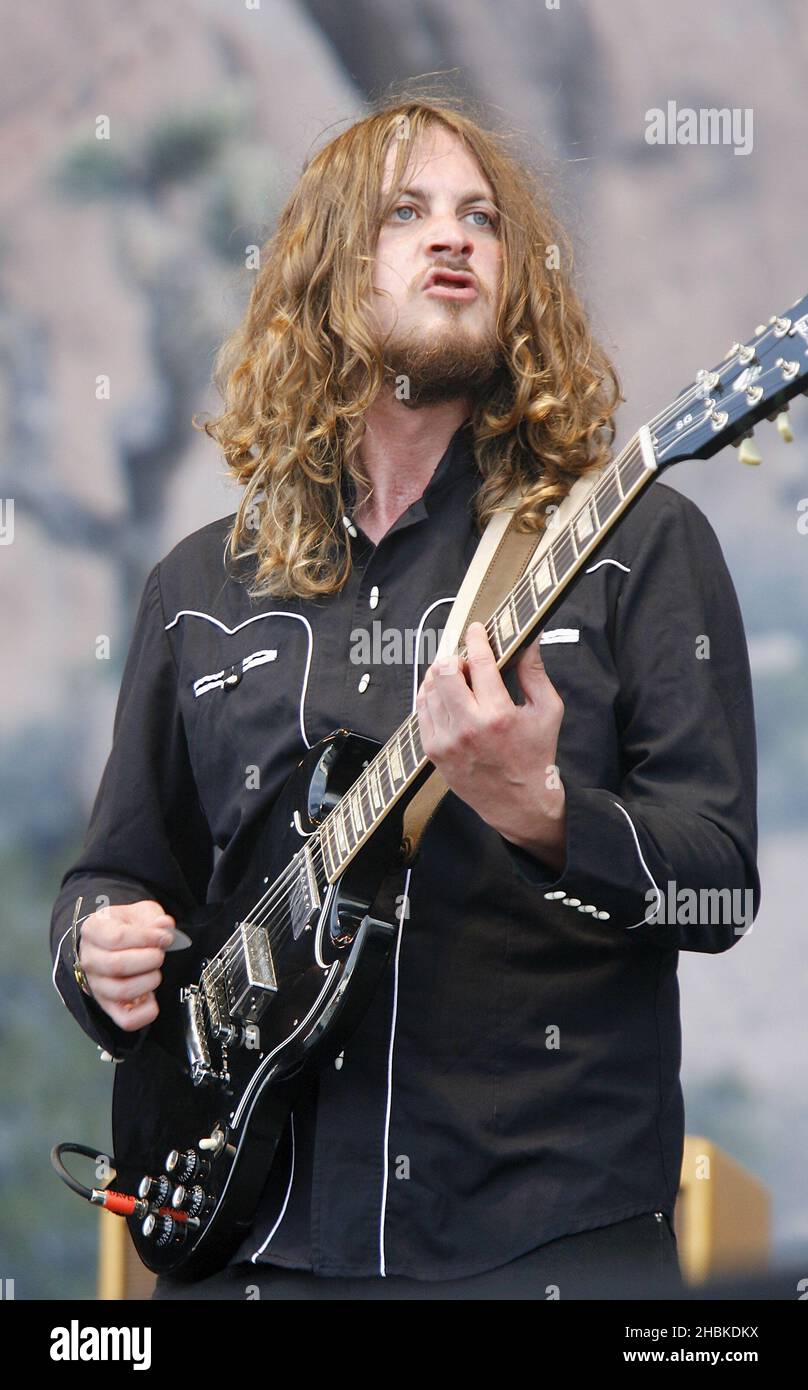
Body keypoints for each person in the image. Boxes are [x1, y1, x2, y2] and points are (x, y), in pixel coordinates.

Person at [49, 97, 759, 1300]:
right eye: (406, 213)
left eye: (481, 216)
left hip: (544, 1239)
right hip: (247, 1233)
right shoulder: (198, 587)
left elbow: (718, 880)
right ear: (324, 272)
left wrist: (540, 807)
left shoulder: (633, 543)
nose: (456, 238)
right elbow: (121, 873)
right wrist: (95, 950)